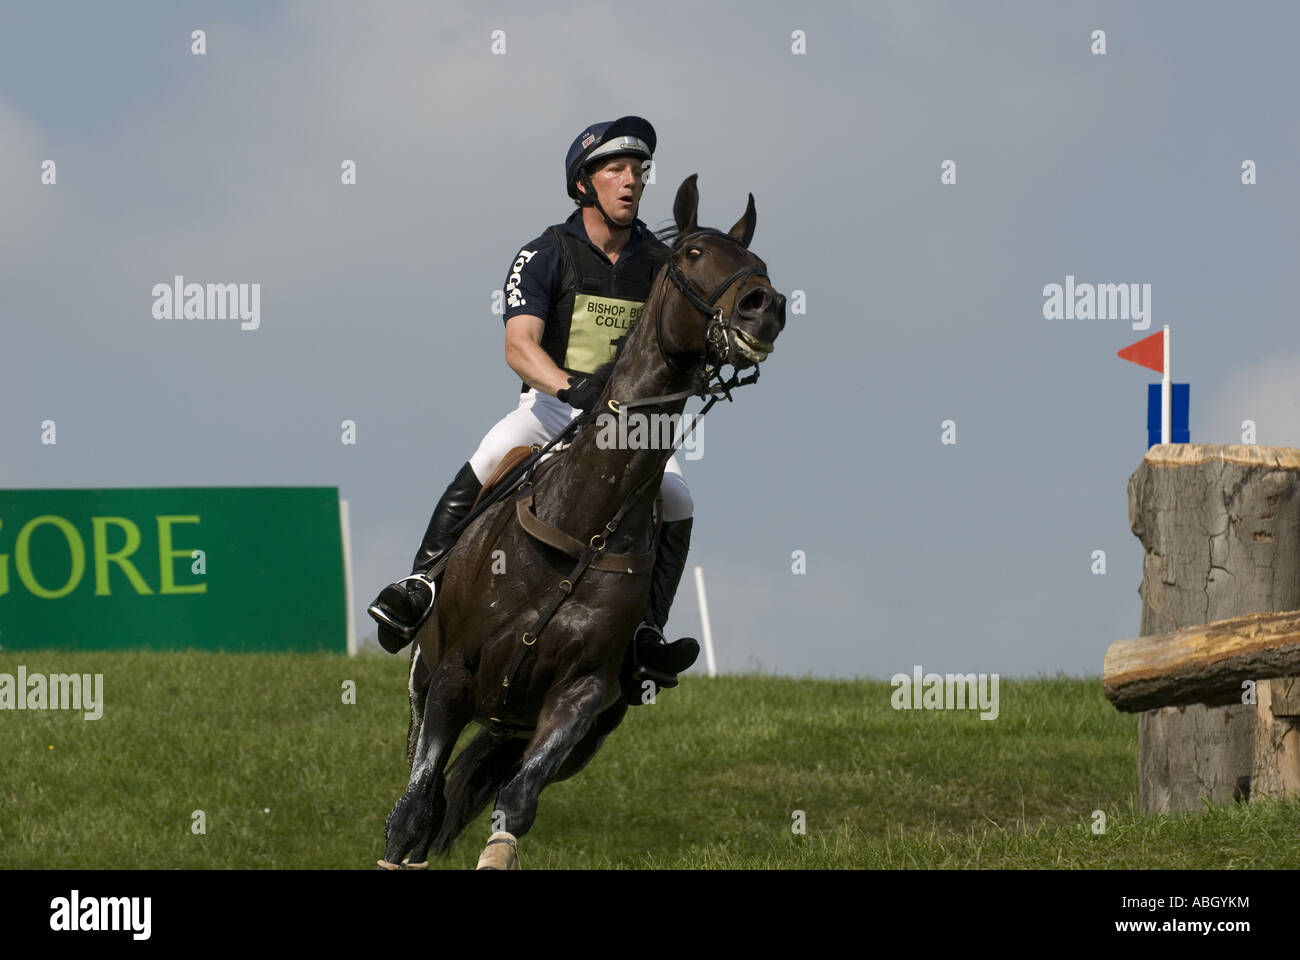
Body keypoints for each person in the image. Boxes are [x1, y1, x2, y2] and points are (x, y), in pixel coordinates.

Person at [368, 116, 699, 692]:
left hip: (626, 423)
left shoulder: (658, 263)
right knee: (492, 452)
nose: (631, 181)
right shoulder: (545, 253)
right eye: (616, 169)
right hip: (554, 407)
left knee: (677, 494)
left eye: (638, 171)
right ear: (583, 184)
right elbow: (519, 347)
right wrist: (572, 388)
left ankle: (648, 630)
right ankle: (419, 584)